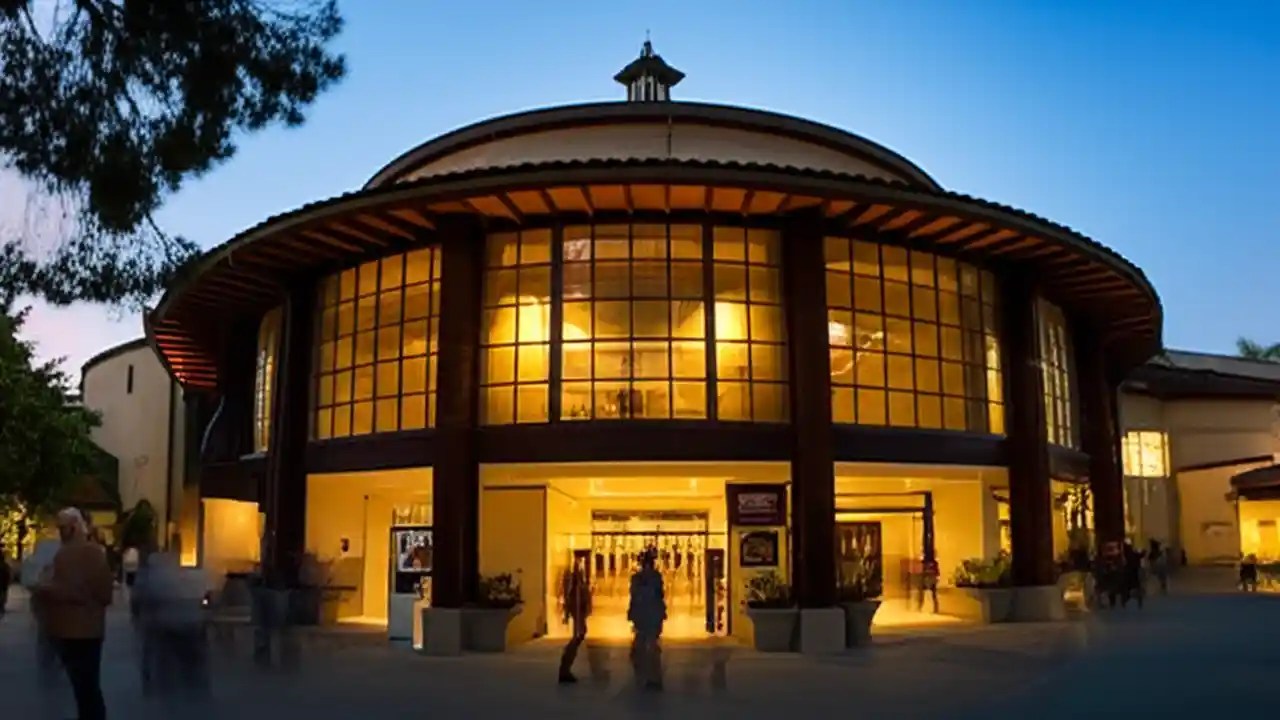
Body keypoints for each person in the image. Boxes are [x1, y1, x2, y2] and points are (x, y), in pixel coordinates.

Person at [34, 507, 114, 720]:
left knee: (80, 687)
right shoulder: (94, 554)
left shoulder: (60, 555)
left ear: (73, 527)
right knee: (88, 687)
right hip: (89, 630)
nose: (61, 532)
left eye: (63, 528)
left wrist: (46, 589)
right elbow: (105, 594)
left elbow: (47, 589)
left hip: (65, 630)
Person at [627, 547, 667, 691]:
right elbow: (660, 595)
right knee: (650, 646)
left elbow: (634, 597)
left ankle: (648, 676)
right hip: (650, 615)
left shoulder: (638, 578)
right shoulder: (655, 577)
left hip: (644, 615)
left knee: (643, 646)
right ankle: (652, 676)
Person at [557, 558, 592, 684]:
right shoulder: (576, 587)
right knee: (578, 636)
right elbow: (576, 601)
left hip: (579, 614)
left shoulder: (579, 586)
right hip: (578, 614)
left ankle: (566, 667)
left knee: (579, 636)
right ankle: (565, 668)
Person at [0, 542, 11, 618]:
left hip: (3, 579)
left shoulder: (5, 565)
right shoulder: (5, 565)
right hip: (3, 580)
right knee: (3, 591)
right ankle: (2, 605)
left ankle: (2, 605)